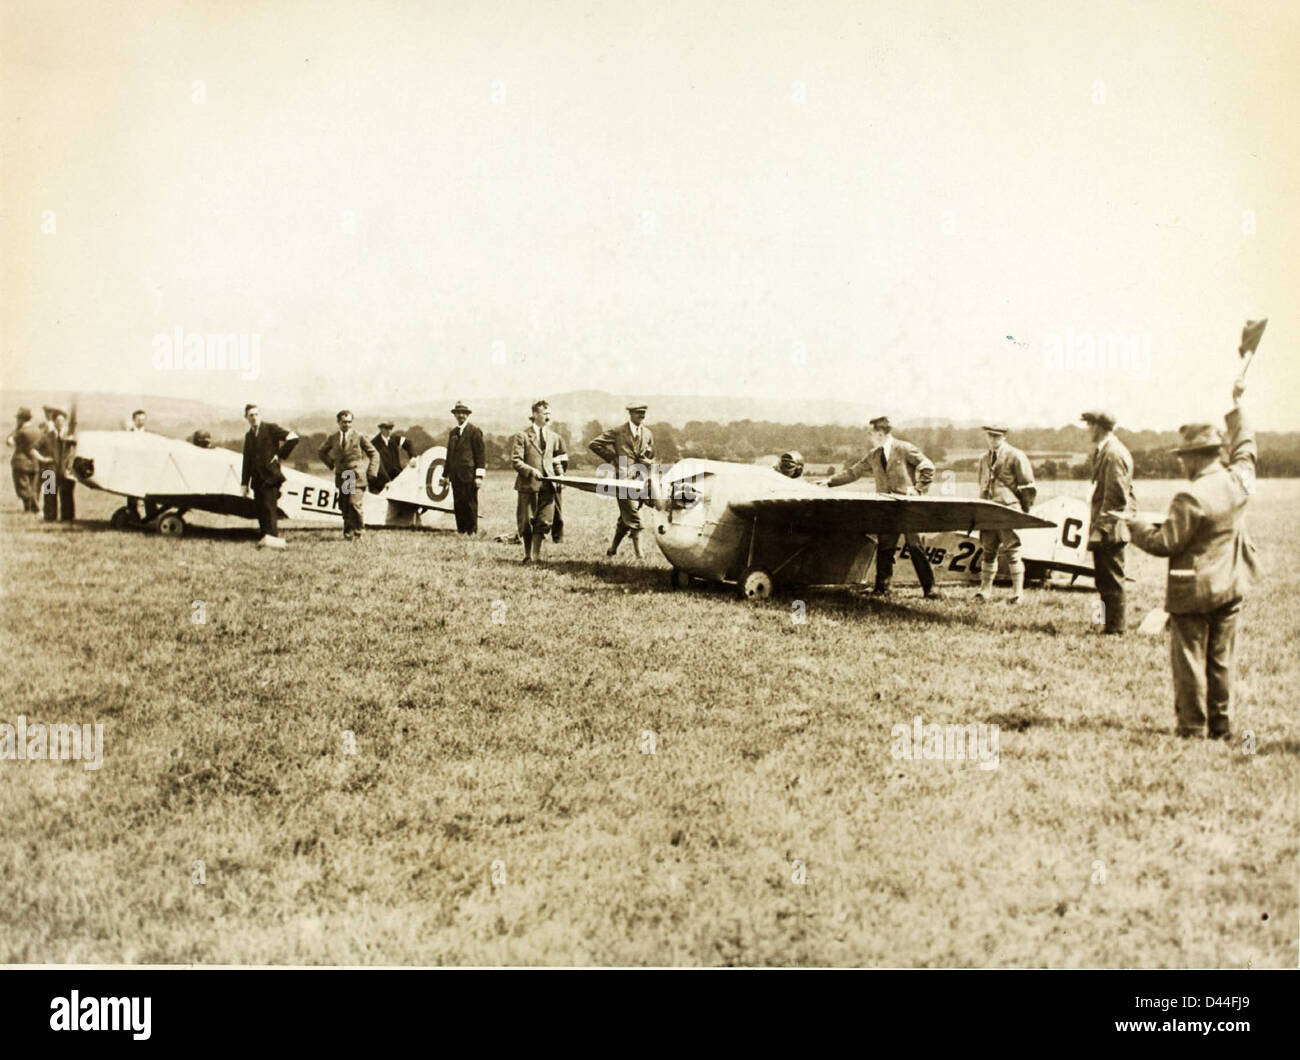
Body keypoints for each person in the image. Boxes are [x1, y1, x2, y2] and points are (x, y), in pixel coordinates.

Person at [1118, 380, 1257, 739]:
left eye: (1184, 457)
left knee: (1189, 662)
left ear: (1195, 457)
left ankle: (1192, 727)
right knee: (1221, 661)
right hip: (1231, 585)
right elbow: (1247, 452)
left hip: (1193, 591)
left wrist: (1134, 527)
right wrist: (1238, 409)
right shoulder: (1238, 482)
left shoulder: (1189, 496)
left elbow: (1165, 543)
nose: (1182, 464)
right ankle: (1222, 727)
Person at [826, 416, 940, 598]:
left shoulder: (904, 448)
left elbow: (928, 467)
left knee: (915, 546)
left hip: (908, 507)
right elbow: (853, 472)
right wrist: (829, 483)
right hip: (886, 508)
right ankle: (882, 588)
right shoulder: (874, 455)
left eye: (871, 432)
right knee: (885, 546)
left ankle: (930, 589)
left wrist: (918, 489)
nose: (869, 436)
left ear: (879, 433)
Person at [1082, 409, 1135, 633]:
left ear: (1098, 427)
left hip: (1111, 528)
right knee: (1103, 581)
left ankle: (1115, 630)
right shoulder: (1105, 451)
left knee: (1112, 580)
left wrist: (1100, 530)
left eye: (1090, 425)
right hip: (1107, 526)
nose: (1087, 430)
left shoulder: (1113, 454)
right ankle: (1106, 625)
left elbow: (1116, 497)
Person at [975, 423, 1036, 603]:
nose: (993, 439)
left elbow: (1028, 488)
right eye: (990, 436)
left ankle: (1017, 594)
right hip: (988, 510)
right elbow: (982, 484)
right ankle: (984, 591)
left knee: (1012, 550)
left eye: (997, 436)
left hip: (1008, 510)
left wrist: (1023, 512)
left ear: (1004, 437)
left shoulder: (1016, 456)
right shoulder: (983, 459)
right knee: (988, 550)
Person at [588, 401, 655, 558]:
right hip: (623, 482)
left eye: (644, 412)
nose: (642, 415)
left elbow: (651, 455)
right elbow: (594, 444)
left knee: (625, 519)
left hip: (640, 480)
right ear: (630, 414)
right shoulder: (619, 432)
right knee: (635, 519)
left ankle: (612, 550)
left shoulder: (648, 434)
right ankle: (640, 557)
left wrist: (648, 464)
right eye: (638, 412)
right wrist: (612, 458)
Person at [510, 400, 564, 563]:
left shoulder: (554, 437)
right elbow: (516, 460)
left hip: (548, 485)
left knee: (544, 521)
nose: (548, 416)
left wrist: (560, 474)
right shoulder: (522, 436)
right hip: (528, 486)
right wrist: (531, 471)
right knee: (526, 522)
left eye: (550, 413)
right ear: (535, 415)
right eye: (544, 413)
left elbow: (556, 460)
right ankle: (527, 555)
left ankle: (536, 555)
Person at [240, 404, 298, 549]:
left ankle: (273, 540)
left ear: (260, 415)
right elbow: (247, 460)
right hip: (257, 480)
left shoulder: (271, 429)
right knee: (260, 509)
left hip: (271, 477)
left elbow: (293, 437)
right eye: (250, 415)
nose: (254, 417)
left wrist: (280, 455)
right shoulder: (249, 436)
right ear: (246, 418)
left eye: (256, 414)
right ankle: (265, 537)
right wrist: (244, 483)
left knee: (269, 509)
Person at [319, 410, 380, 541]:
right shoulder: (334, 437)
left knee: (354, 503)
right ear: (338, 422)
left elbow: (374, 454)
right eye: (344, 422)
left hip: (356, 475)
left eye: (349, 422)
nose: (347, 425)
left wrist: (371, 471)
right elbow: (321, 451)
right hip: (343, 476)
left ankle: (360, 532)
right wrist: (331, 463)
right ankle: (348, 534)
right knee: (345, 505)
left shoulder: (359, 437)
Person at [441, 402, 485, 534]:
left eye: (463, 413)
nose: (460, 415)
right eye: (458, 413)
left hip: (469, 475)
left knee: (470, 502)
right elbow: (449, 456)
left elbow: (480, 454)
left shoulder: (474, 431)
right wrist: (445, 475)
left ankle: (471, 531)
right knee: (458, 502)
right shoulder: (453, 433)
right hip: (455, 475)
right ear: (454, 415)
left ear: (467, 415)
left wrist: (479, 476)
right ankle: (461, 530)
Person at [36, 408, 76, 522]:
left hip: (66, 470)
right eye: (57, 420)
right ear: (54, 422)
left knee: (67, 495)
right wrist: (43, 459)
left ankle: (67, 518)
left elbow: (78, 446)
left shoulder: (69, 436)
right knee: (49, 495)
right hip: (49, 470)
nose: (60, 423)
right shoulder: (47, 436)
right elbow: (34, 449)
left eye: (62, 420)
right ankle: (50, 517)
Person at [6, 407, 41, 512]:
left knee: (23, 489)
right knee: (32, 488)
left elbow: (9, 442)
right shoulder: (37, 431)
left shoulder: (21, 432)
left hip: (21, 463)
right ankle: (29, 509)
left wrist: (15, 430)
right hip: (34, 463)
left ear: (21, 419)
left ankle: (35, 508)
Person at [372, 420, 417, 489]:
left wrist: (412, 457)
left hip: (396, 476)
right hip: (381, 480)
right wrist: (387, 481)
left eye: (391, 428)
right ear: (381, 429)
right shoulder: (374, 444)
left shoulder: (395, 439)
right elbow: (378, 465)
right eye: (387, 428)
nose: (389, 431)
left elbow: (408, 443)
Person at [125, 408, 148, 519]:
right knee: (131, 492)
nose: (141, 421)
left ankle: (150, 515)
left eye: (143, 419)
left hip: (144, 467)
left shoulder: (149, 435)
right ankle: (133, 515)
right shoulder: (128, 434)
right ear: (134, 420)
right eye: (138, 419)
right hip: (131, 466)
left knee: (147, 493)